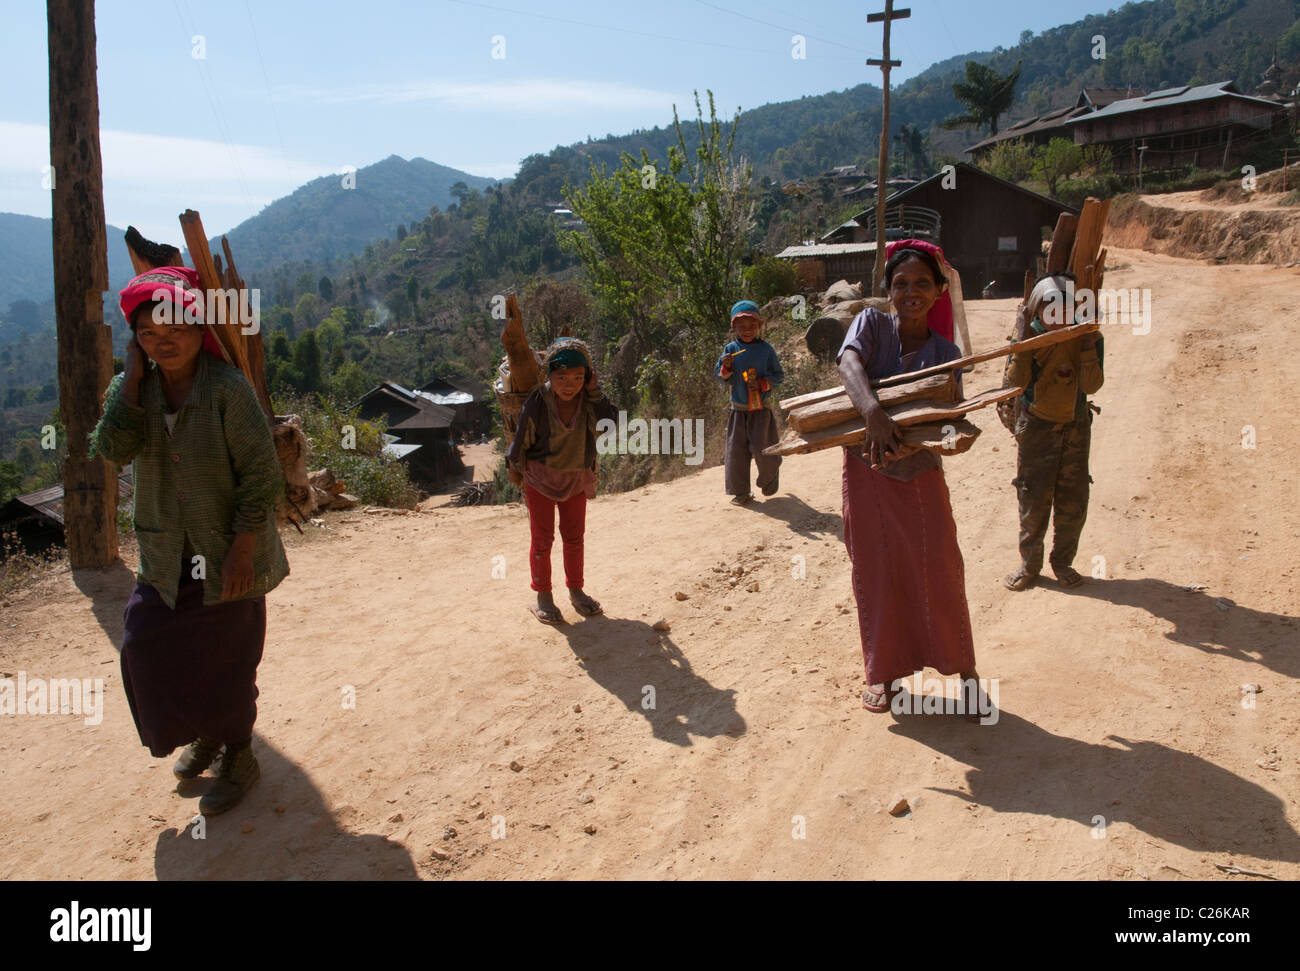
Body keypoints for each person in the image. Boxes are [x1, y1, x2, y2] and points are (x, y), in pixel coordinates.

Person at [90, 267, 288, 815]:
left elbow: (261, 475)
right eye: (149, 334)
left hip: (228, 553)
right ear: (136, 342)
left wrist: (243, 551)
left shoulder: (227, 390)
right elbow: (112, 449)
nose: (164, 342)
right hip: (165, 553)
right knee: (144, 647)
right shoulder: (133, 390)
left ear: (199, 328)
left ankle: (238, 752)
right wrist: (132, 382)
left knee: (226, 663)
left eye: (175, 329)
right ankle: (207, 734)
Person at [836, 248, 981, 713]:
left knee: (940, 568)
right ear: (889, 291)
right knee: (877, 571)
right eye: (900, 284)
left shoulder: (946, 354)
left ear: (938, 291)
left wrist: (932, 439)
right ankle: (885, 674)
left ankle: (965, 672)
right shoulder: (871, 324)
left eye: (921, 283)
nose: (910, 292)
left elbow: (949, 418)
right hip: (867, 471)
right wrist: (874, 414)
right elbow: (848, 365)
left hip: (920, 473)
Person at [1002, 273, 1104, 591]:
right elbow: (1016, 382)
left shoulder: (1089, 336)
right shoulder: (1029, 336)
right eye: (1051, 306)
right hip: (1037, 428)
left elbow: (1092, 385)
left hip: (1075, 427)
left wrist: (1087, 345)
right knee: (1033, 497)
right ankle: (1030, 565)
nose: (1059, 314)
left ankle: (1063, 562)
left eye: (1066, 306)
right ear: (1037, 307)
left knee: (1074, 498)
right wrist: (1022, 340)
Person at [507, 337, 617, 625]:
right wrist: (514, 468)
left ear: (588, 377)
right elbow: (521, 439)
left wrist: (594, 392)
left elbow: (610, 425)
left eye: (578, 377)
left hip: (576, 479)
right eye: (562, 377)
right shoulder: (538, 402)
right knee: (542, 540)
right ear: (550, 375)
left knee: (574, 537)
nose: (570, 385)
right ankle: (543, 596)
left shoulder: (589, 400)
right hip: (540, 479)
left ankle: (576, 591)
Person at [715, 300, 784, 505]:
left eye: (752, 326)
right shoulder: (730, 350)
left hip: (761, 410)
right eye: (742, 326)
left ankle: (770, 478)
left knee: (764, 449)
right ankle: (741, 492)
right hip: (738, 410)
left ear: (759, 326)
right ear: (734, 327)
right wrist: (727, 367)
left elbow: (778, 375)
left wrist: (763, 384)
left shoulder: (766, 350)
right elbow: (721, 377)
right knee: (736, 453)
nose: (747, 330)